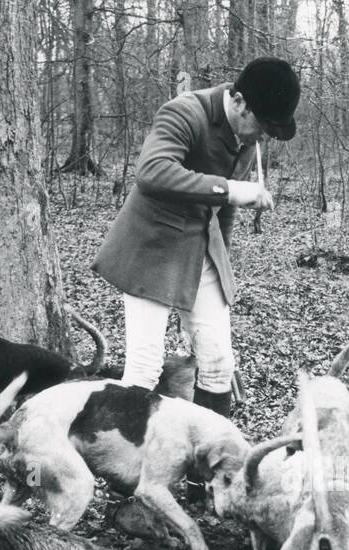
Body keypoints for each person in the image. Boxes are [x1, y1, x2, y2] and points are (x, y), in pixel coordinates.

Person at [91, 57, 300, 421]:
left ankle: (203, 472)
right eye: (261, 124)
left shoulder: (246, 141)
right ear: (238, 102)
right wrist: (230, 189)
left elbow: (226, 214)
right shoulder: (185, 112)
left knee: (219, 364)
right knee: (143, 371)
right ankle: (123, 468)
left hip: (201, 250)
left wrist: (223, 262)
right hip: (151, 248)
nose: (262, 135)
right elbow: (152, 172)